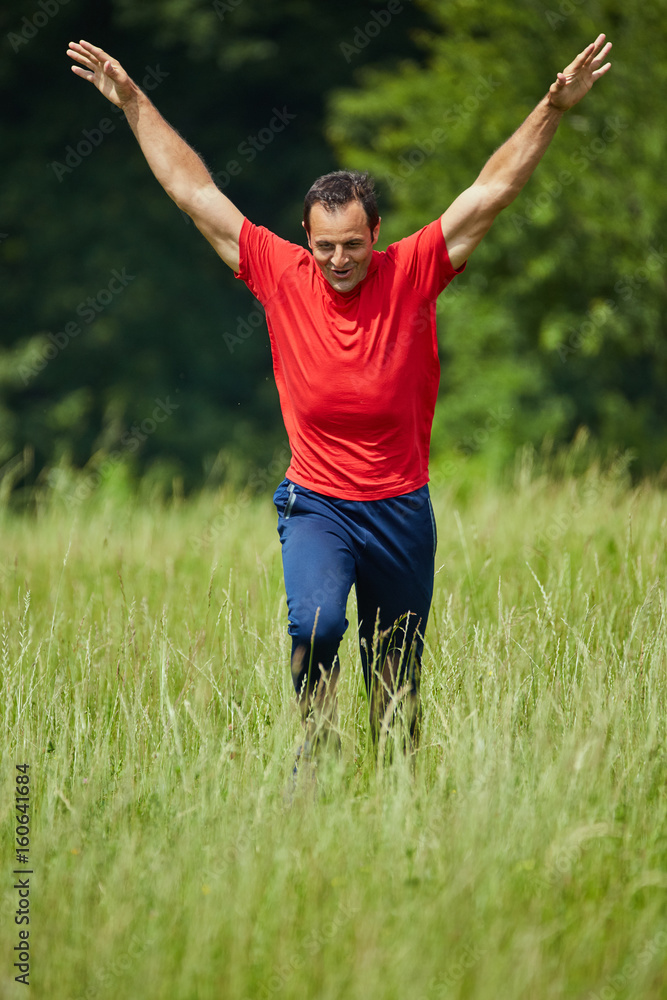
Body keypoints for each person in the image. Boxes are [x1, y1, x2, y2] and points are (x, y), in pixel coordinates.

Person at [67, 33, 612, 765]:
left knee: (395, 684)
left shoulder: (414, 271)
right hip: (317, 503)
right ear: (306, 237)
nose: (338, 260)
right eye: (324, 246)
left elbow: (491, 191)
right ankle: (315, 750)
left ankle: (395, 804)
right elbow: (194, 192)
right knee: (318, 625)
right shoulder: (278, 271)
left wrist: (550, 107)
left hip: (400, 510)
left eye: (352, 244)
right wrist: (133, 103)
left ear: (375, 233)